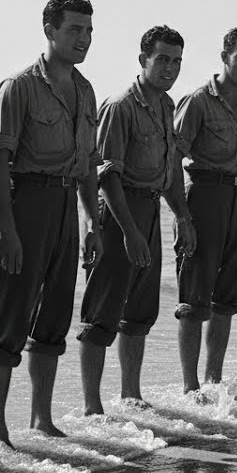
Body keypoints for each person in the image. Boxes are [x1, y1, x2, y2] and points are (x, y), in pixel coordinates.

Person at [0, 0, 103, 446]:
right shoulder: (20, 86)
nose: (84, 39)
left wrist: (91, 222)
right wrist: (8, 230)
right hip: (23, 204)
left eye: (89, 30)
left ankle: (41, 419)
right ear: (49, 30)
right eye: (74, 30)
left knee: (53, 320)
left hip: (65, 208)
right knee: (8, 319)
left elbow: (88, 163)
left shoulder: (86, 89)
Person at [76, 25, 196, 415]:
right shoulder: (121, 105)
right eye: (162, 59)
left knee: (139, 312)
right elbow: (106, 174)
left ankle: (131, 394)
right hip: (118, 213)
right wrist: (127, 232)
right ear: (143, 59)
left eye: (176, 61)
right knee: (101, 313)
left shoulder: (165, 105)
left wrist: (182, 214)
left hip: (149, 211)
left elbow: (171, 170)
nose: (170, 68)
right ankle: (93, 407)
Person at [173, 28, 237, 395]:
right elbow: (172, 159)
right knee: (193, 301)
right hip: (203, 198)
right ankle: (190, 388)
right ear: (225, 56)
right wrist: (182, 216)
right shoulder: (198, 101)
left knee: (226, 301)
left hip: (236, 204)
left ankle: (213, 382)